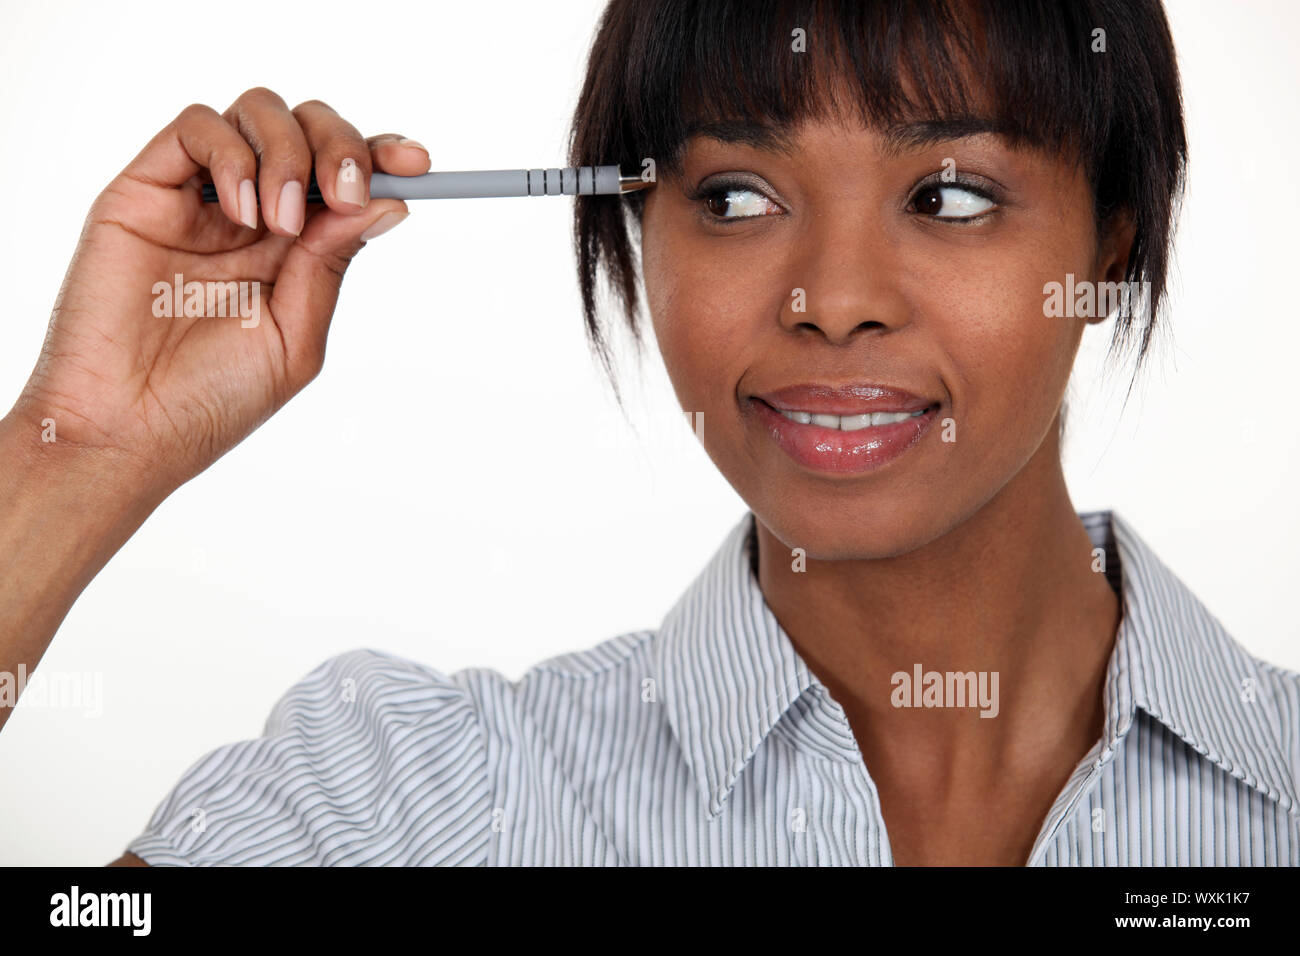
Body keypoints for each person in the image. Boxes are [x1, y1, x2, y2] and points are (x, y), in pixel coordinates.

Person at [1, 0, 1295, 866]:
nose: (833, 301)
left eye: (949, 194)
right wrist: (76, 450)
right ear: (640, 231)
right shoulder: (405, 806)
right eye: (734, 194)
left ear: (1110, 235)